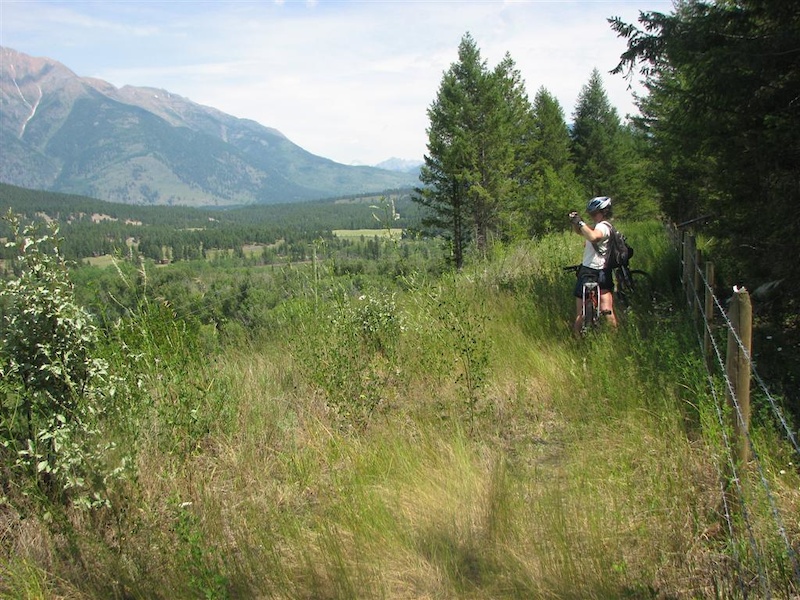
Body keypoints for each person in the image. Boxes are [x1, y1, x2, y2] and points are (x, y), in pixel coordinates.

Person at [569, 196, 618, 336]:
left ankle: (577, 342)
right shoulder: (604, 227)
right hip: (603, 271)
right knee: (607, 309)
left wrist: (580, 222)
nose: (592, 215)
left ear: (601, 212)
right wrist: (576, 222)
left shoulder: (603, 227)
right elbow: (582, 232)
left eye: (594, 213)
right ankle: (613, 340)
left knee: (581, 312)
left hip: (589, 270)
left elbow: (593, 237)